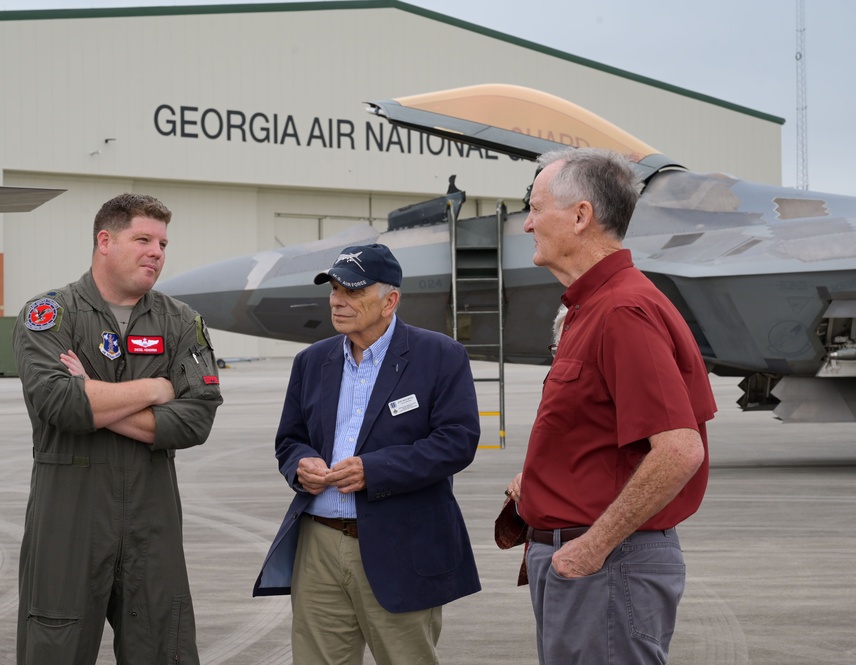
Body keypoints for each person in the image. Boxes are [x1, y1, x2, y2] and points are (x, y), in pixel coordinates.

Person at [505, 148, 717, 665]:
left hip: (606, 568)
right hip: (589, 565)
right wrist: (539, 479)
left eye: (536, 208)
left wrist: (591, 548)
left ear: (580, 216)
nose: (527, 224)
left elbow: (678, 450)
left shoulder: (621, 310)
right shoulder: (592, 306)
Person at [13, 193, 223, 665]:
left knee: (163, 647)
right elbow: (60, 404)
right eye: (143, 239)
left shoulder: (181, 322)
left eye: (163, 243)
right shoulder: (51, 315)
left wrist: (96, 396)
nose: (157, 252)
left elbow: (197, 417)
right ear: (104, 241)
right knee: (55, 646)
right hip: (69, 513)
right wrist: (155, 388)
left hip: (152, 516)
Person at [253, 243, 482, 664]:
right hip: (318, 542)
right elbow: (289, 439)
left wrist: (374, 470)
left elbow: (457, 441)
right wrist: (300, 464)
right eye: (334, 289)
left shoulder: (440, 356)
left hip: (400, 545)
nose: (338, 301)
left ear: (389, 300)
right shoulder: (311, 361)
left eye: (353, 292)